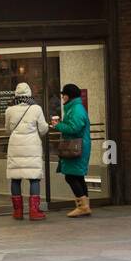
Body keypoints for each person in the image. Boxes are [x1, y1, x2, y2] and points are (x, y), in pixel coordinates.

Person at [5, 80, 49, 220]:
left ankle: (17, 212)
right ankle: (34, 211)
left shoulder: (9, 110)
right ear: (29, 94)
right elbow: (43, 129)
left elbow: (7, 130)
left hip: (15, 146)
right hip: (32, 146)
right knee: (34, 178)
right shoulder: (36, 109)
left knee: (15, 178)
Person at [51, 82, 92, 217]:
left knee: (71, 176)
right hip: (78, 146)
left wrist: (58, 126)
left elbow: (74, 128)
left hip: (76, 147)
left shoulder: (76, 109)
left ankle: (82, 207)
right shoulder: (74, 108)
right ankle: (85, 206)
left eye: (63, 95)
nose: (62, 98)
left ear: (68, 96)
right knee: (78, 176)